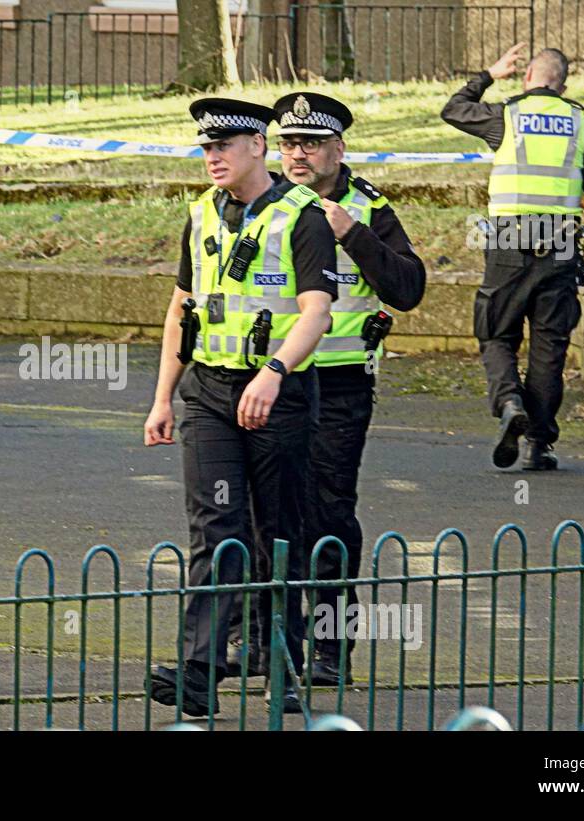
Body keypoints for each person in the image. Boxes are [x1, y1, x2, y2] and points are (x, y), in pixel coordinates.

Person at [143, 98, 338, 717]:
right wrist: (162, 397)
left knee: (276, 533)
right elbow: (182, 307)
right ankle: (199, 673)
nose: (212, 157)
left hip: (276, 399)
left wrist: (275, 372)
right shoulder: (200, 213)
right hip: (208, 393)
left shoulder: (301, 216)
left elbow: (317, 311)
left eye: (223, 145)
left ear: (258, 145)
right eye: (205, 147)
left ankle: (282, 663)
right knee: (213, 529)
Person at [270, 91, 427, 685]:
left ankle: (332, 646)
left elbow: (409, 289)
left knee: (329, 511)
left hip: (339, 387)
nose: (298, 154)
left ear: (339, 148)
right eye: (289, 143)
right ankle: (263, 640)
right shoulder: (268, 202)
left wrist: (354, 234)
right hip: (274, 380)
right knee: (266, 514)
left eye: (311, 143)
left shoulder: (369, 207)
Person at [441, 45, 584, 469]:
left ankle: (508, 403)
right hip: (558, 242)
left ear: (528, 78)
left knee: (496, 331)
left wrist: (489, 74)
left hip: (508, 238)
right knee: (549, 345)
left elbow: (453, 110)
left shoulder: (506, 116)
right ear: (564, 84)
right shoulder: (580, 122)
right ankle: (537, 446)